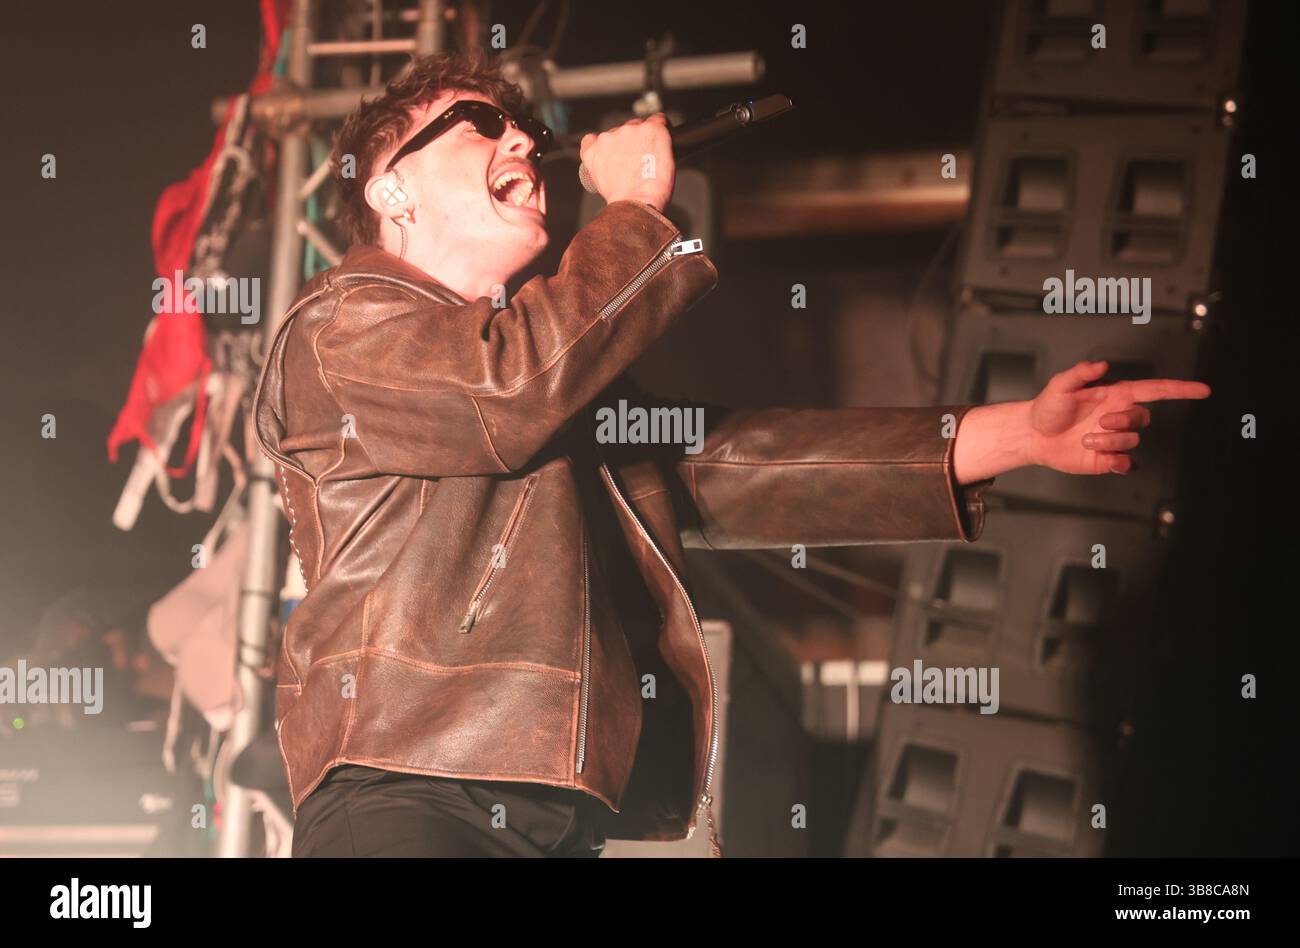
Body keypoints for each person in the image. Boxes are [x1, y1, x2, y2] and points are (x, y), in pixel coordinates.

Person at [252, 50, 1209, 857]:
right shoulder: (344, 328)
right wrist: (635, 210)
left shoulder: (541, 371)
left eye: (522, 126)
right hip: (406, 795)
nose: (519, 140)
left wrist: (1017, 436)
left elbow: (727, 468)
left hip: (550, 818)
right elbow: (508, 388)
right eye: (476, 123)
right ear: (389, 192)